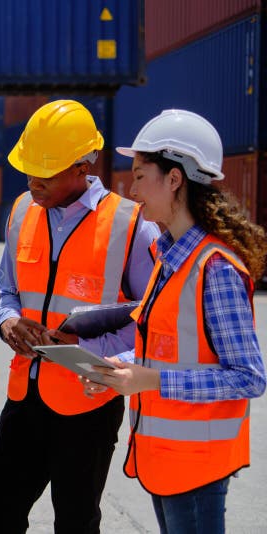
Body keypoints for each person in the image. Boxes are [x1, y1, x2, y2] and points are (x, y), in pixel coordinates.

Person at [83, 109, 267, 533]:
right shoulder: (169, 258)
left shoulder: (215, 269)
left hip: (198, 469)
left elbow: (248, 377)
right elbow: (161, 349)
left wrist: (152, 382)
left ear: (174, 179)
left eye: (140, 175)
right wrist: (119, 370)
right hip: (165, 459)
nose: (131, 188)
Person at [0, 100, 161, 533]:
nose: (32, 181)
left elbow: (153, 323)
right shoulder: (23, 210)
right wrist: (7, 321)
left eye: (46, 172)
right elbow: (7, 288)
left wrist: (89, 348)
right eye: (29, 169)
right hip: (24, 397)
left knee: (77, 523)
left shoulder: (132, 226)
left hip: (88, 404)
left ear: (84, 166)